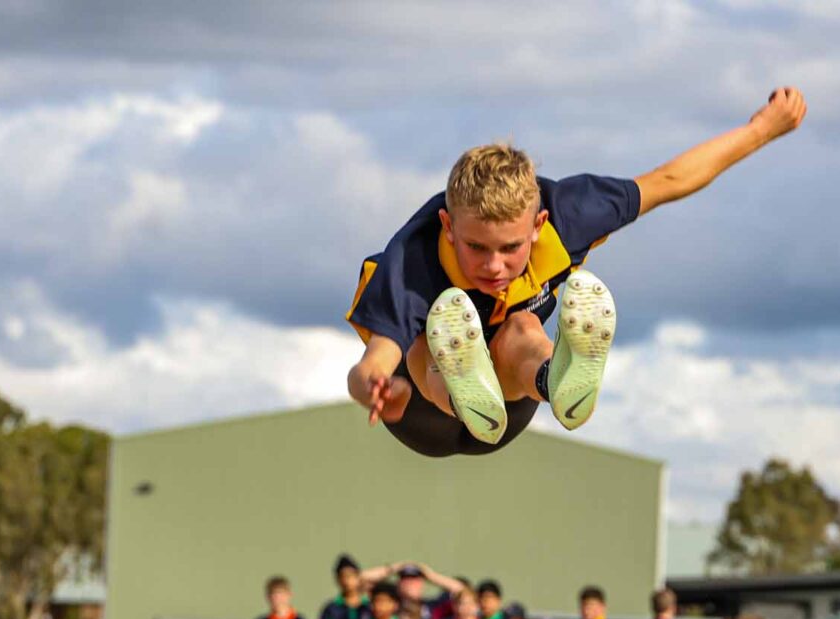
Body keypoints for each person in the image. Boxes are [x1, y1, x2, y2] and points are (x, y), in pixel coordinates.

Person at [345, 89, 806, 456]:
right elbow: (373, 364)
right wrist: (378, 390)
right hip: (423, 414)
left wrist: (763, 129)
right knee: (436, 328)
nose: (494, 266)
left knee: (523, 325)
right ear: (448, 227)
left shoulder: (570, 216)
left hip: (511, 402)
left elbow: (669, 181)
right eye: (476, 248)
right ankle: (459, 387)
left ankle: (556, 379)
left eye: (510, 248)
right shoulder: (413, 260)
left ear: (538, 224)